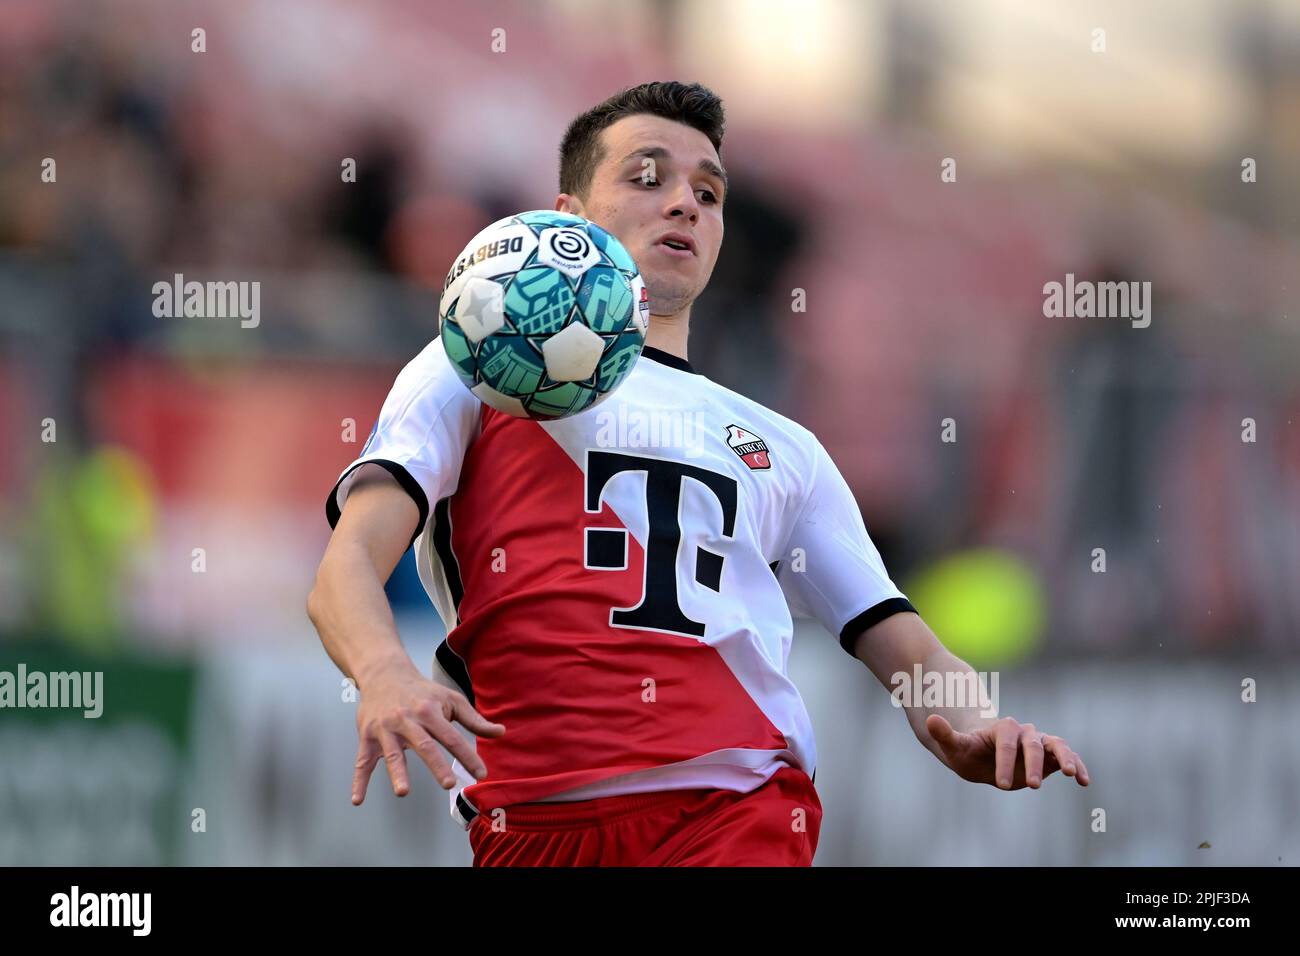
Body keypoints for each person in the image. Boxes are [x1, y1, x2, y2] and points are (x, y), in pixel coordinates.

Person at [306, 81, 1089, 867]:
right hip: (528, 826)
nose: (684, 202)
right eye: (648, 176)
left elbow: (903, 643)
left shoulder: (784, 448)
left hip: (735, 810)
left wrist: (975, 718)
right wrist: (382, 673)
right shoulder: (476, 366)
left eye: (707, 191)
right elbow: (344, 569)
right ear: (569, 218)